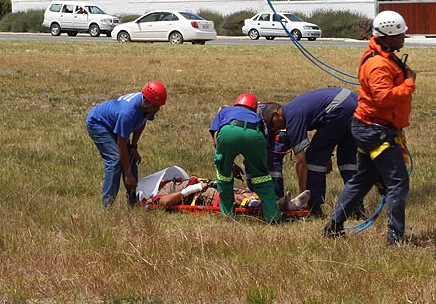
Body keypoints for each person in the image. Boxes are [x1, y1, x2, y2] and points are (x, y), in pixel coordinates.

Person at [323, 11, 416, 244]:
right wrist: (409, 83)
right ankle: (395, 239)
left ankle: (333, 226)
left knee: (362, 180)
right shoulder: (377, 64)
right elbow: (384, 98)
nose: (404, 37)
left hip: (372, 128)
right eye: (401, 34)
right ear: (388, 35)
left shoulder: (384, 57)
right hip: (376, 131)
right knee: (397, 183)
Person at [258, 87, 358, 218]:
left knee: (313, 158)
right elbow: (324, 125)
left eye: (271, 124)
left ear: (277, 115)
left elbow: (301, 162)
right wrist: (327, 156)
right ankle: (357, 208)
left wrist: (302, 195)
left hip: (340, 108)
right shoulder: (295, 108)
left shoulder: (292, 118)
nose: (273, 129)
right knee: (347, 161)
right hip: (354, 103)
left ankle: (313, 206)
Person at [86, 81, 167, 207]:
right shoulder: (127, 114)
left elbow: (143, 121)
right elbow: (121, 146)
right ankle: (107, 206)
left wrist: (134, 146)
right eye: (156, 106)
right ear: (146, 102)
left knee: (131, 158)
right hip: (98, 124)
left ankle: (133, 202)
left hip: (114, 123)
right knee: (115, 161)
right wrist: (128, 175)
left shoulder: (146, 107)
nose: (158, 109)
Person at [209, 94, 279, 223]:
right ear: (254, 108)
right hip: (255, 134)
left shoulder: (225, 110)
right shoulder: (257, 117)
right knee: (262, 178)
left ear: (236, 104)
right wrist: (259, 165)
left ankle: (227, 214)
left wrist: (227, 163)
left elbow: (216, 137)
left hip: (229, 131)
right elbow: (264, 145)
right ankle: (273, 216)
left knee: (224, 176)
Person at [144, 173, 310, 212]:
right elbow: (163, 203)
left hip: (205, 188)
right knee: (234, 198)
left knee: (245, 193)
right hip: (201, 195)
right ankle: (276, 207)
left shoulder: (173, 183)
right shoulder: (161, 193)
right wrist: (192, 189)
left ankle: (285, 204)